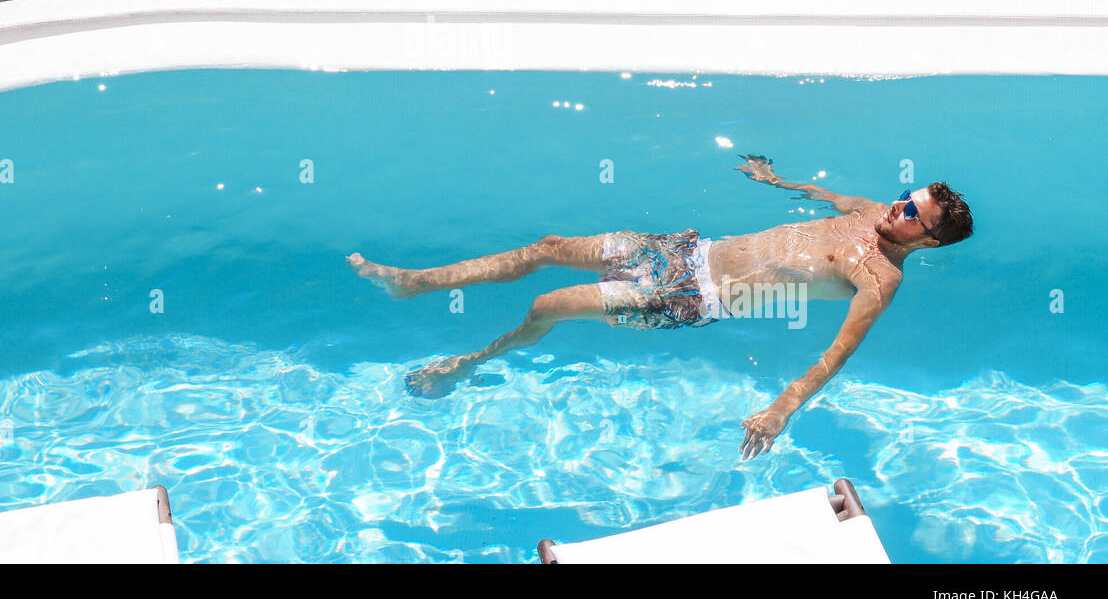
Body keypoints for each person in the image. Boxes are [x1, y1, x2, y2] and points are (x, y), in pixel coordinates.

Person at [348, 155, 973, 458]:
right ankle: (417, 283)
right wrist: (773, 180)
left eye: (913, 213)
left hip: (686, 295)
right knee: (549, 247)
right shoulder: (867, 211)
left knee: (547, 304)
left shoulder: (879, 279)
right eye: (904, 197)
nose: (898, 208)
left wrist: (782, 408)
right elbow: (824, 193)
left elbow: (836, 355)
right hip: (683, 251)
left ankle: (471, 360)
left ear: (931, 239)